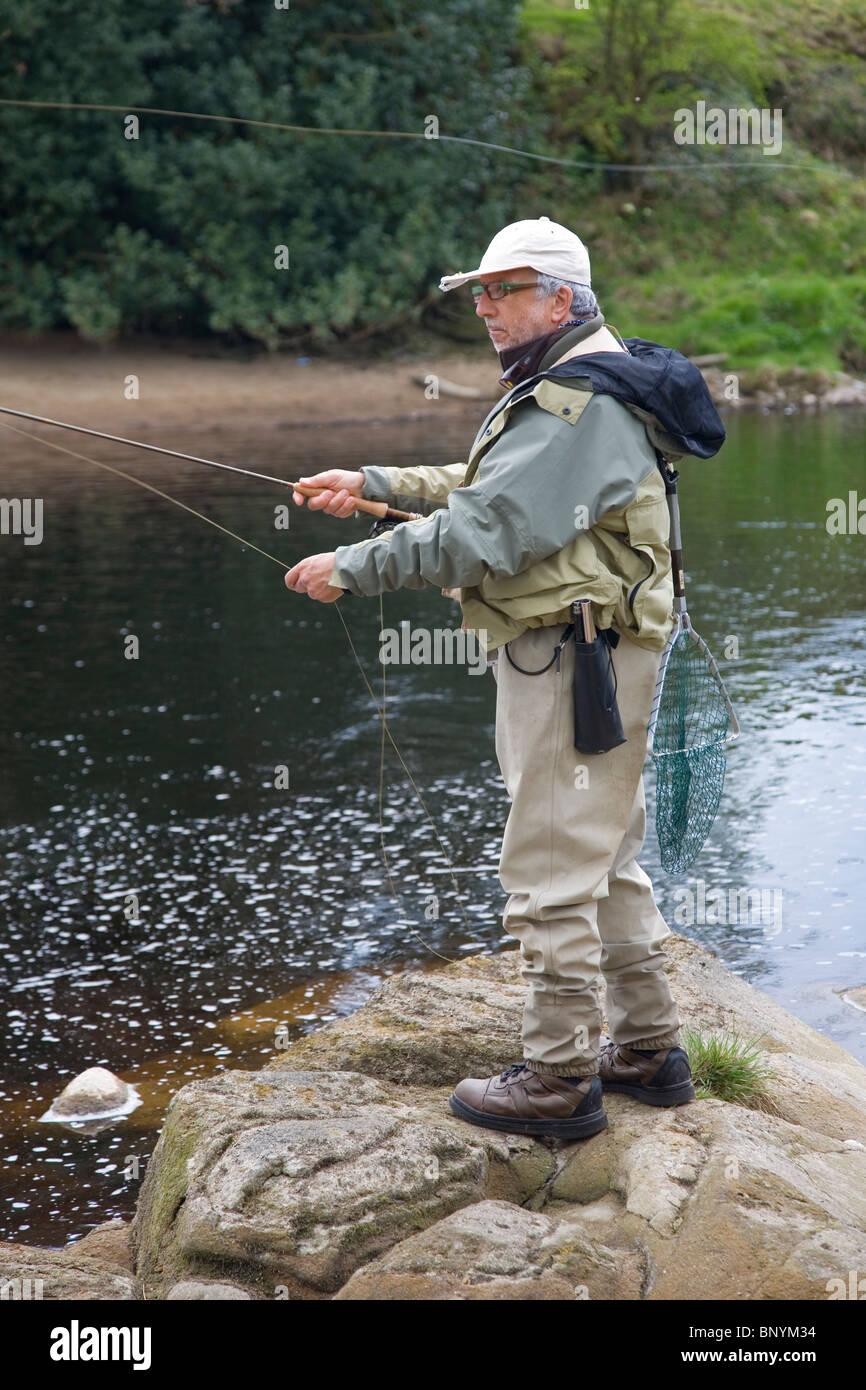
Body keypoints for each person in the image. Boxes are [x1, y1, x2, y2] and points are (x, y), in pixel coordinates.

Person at [285, 216, 725, 1140]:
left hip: (575, 660)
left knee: (549, 867)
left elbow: (491, 530)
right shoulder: (580, 382)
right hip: (594, 650)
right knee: (604, 860)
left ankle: (559, 1079)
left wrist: (351, 568)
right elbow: (494, 487)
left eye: (504, 289)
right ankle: (649, 1051)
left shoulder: (579, 401)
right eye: (479, 291)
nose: (484, 306)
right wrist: (377, 480)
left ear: (561, 297)